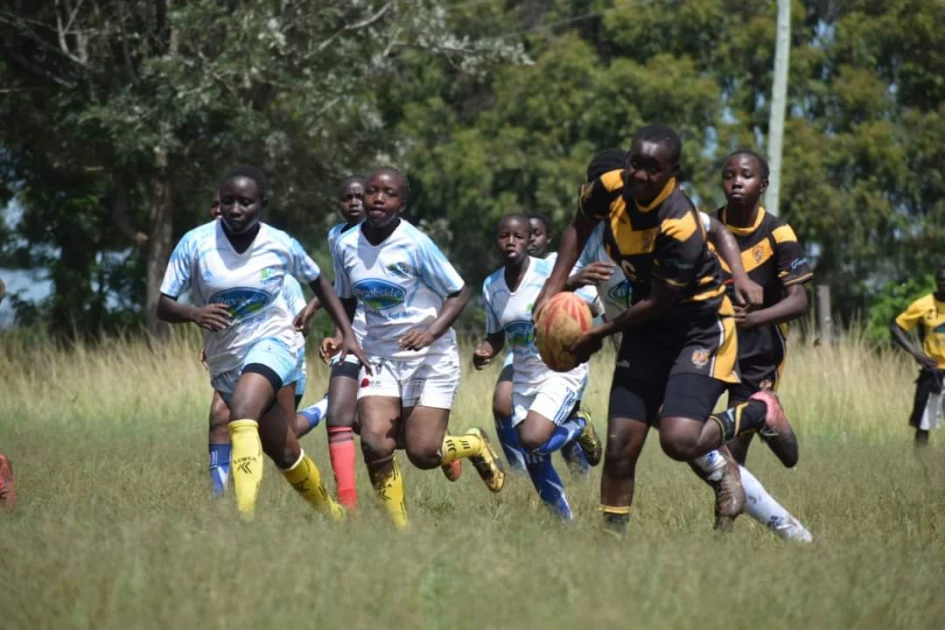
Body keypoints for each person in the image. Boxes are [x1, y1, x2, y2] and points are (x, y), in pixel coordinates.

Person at [534, 125, 798, 535]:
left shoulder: (680, 223)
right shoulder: (609, 186)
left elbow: (660, 300)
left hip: (699, 326)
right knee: (621, 445)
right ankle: (610, 547)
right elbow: (576, 226)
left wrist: (594, 337)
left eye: (652, 169)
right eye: (634, 163)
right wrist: (552, 291)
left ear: (673, 173)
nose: (638, 175)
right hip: (645, 328)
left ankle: (760, 411)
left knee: (679, 441)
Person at [159, 165, 368, 520]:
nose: (236, 210)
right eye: (228, 202)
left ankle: (243, 518)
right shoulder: (195, 243)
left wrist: (345, 332)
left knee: (240, 412)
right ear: (219, 203)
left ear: (262, 204)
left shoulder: (280, 243)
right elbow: (163, 305)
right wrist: (194, 314)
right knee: (285, 451)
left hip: (274, 341)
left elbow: (320, 283)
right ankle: (334, 515)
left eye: (245, 202)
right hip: (224, 356)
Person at [330, 167, 504, 528]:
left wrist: (430, 331)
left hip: (429, 358)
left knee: (423, 453)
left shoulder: (415, 243)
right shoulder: (344, 244)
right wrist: (344, 335)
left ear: (402, 204)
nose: (378, 199)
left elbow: (459, 292)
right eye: (372, 191)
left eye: (388, 193)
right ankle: (400, 531)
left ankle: (472, 444)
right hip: (378, 356)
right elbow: (345, 298)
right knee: (375, 442)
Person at [474, 214, 603, 520]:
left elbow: (591, 305)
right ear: (497, 241)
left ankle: (579, 426)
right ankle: (566, 528)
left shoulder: (550, 271)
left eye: (518, 236)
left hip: (559, 370)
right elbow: (496, 336)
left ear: (528, 241)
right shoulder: (492, 285)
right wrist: (485, 351)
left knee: (534, 439)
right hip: (524, 376)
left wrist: (571, 290)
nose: (511, 242)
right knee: (534, 455)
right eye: (504, 236)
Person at [201, 190, 328, 497]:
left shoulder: (272, 262)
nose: (224, 211)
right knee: (221, 417)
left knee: (285, 436)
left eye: (233, 204)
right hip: (234, 359)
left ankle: (327, 405)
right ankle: (219, 498)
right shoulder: (208, 260)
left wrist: (299, 329)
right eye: (218, 205)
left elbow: (297, 324)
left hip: (280, 358)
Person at [891, 265, 945, 447]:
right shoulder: (923, 305)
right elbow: (897, 327)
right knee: (924, 427)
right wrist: (916, 353)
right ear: (937, 281)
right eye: (942, 280)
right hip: (934, 373)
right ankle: (922, 469)